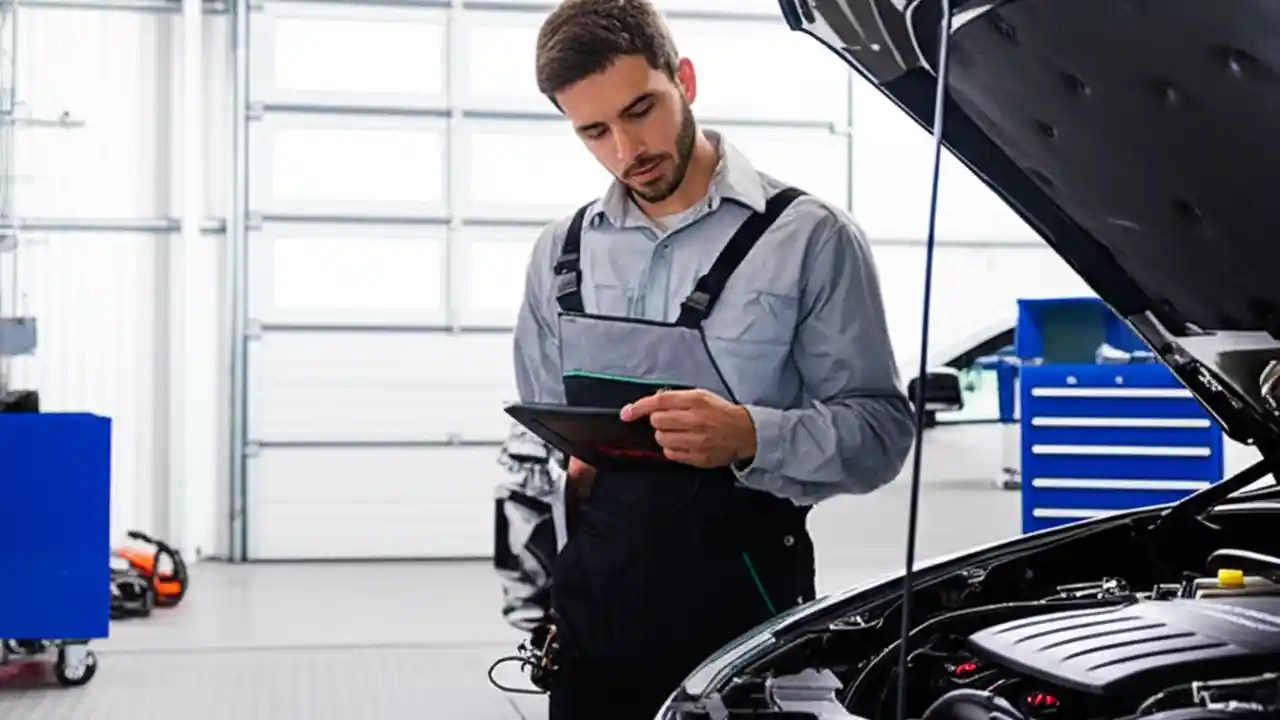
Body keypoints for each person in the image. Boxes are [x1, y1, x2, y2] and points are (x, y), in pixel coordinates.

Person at [512, 0, 916, 716]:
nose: (625, 150)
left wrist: (753, 436)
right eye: (594, 132)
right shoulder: (559, 253)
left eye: (642, 110)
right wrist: (535, 595)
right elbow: (538, 449)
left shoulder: (810, 239)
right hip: (593, 634)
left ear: (685, 79)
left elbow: (881, 435)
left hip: (745, 632)